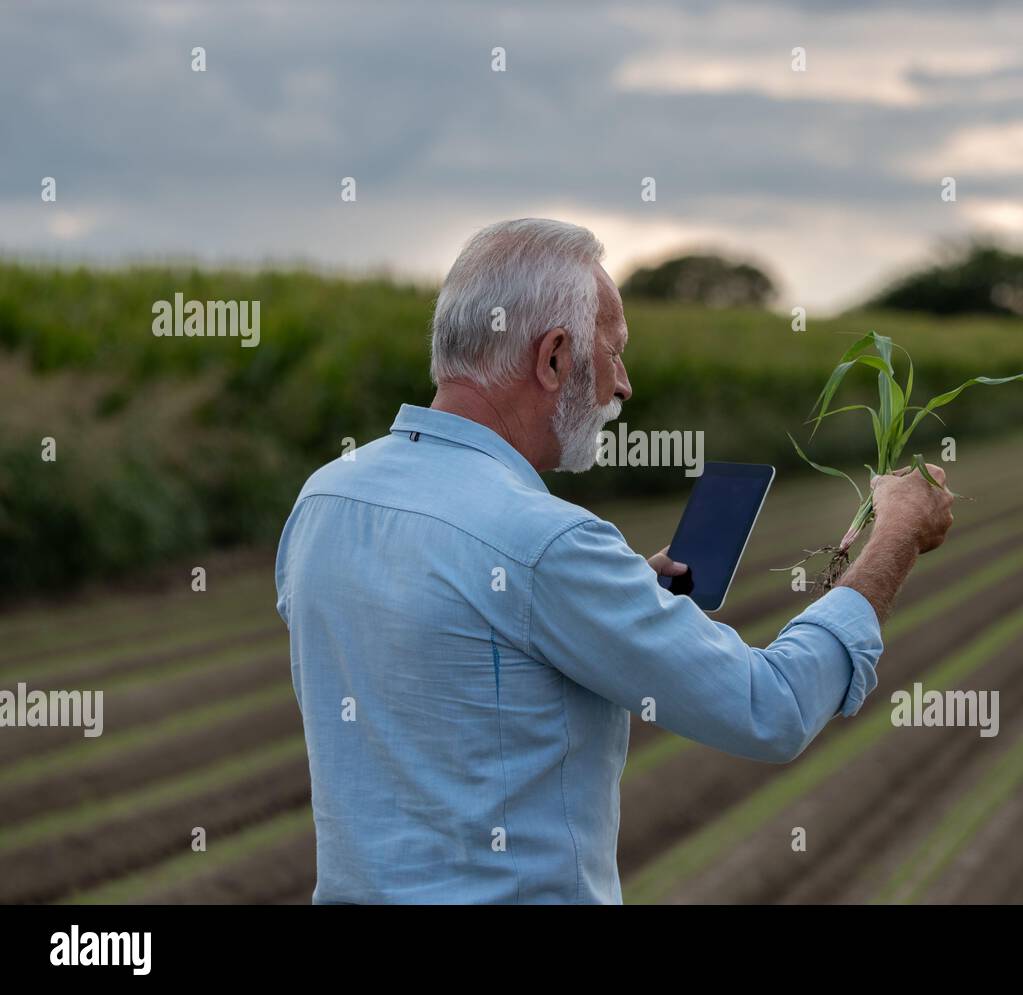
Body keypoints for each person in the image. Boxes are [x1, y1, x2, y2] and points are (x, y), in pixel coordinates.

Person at [275, 218, 954, 903]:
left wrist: (610, 598)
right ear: (554, 357)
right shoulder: (545, 543)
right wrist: (894, 537)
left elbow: (437, 643)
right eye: (615, 352)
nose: (623, 385)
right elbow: (768, 708)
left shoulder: (326, 498)